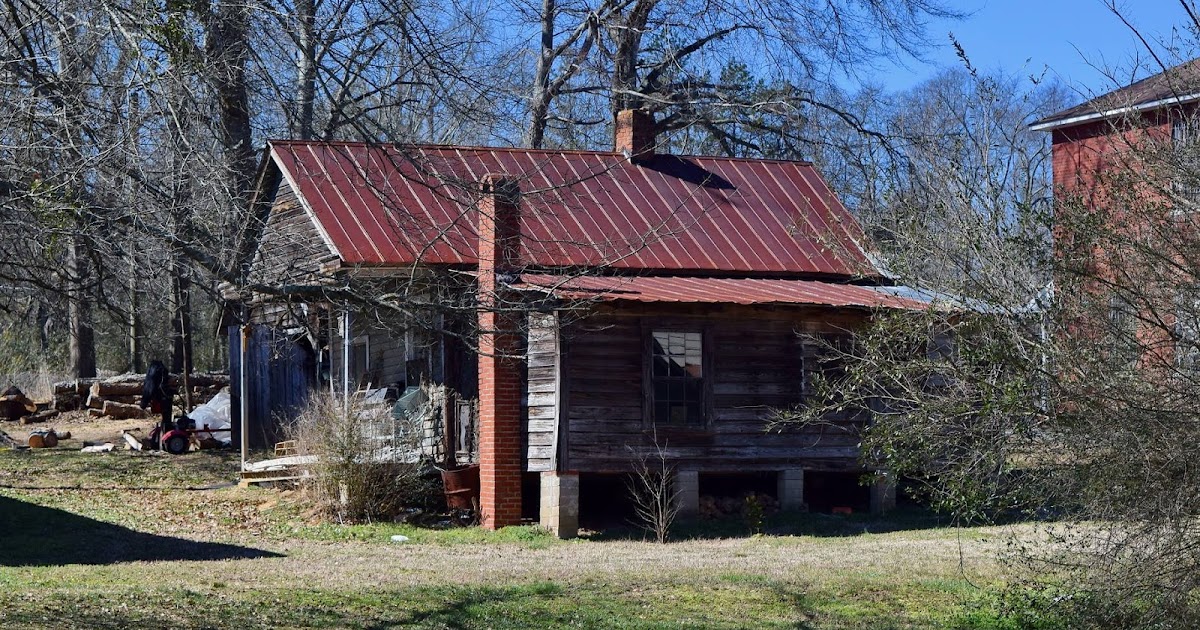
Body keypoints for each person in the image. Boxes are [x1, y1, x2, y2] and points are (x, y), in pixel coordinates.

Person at [140, 360, 173, 436]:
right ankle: (166, 431)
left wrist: (144, 403)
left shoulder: (153, 373)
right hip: (162, 397)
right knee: (166, 417)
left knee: (166, 418)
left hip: (161, 398)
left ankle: (166, 431)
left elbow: (149, 388)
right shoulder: (160, 372)